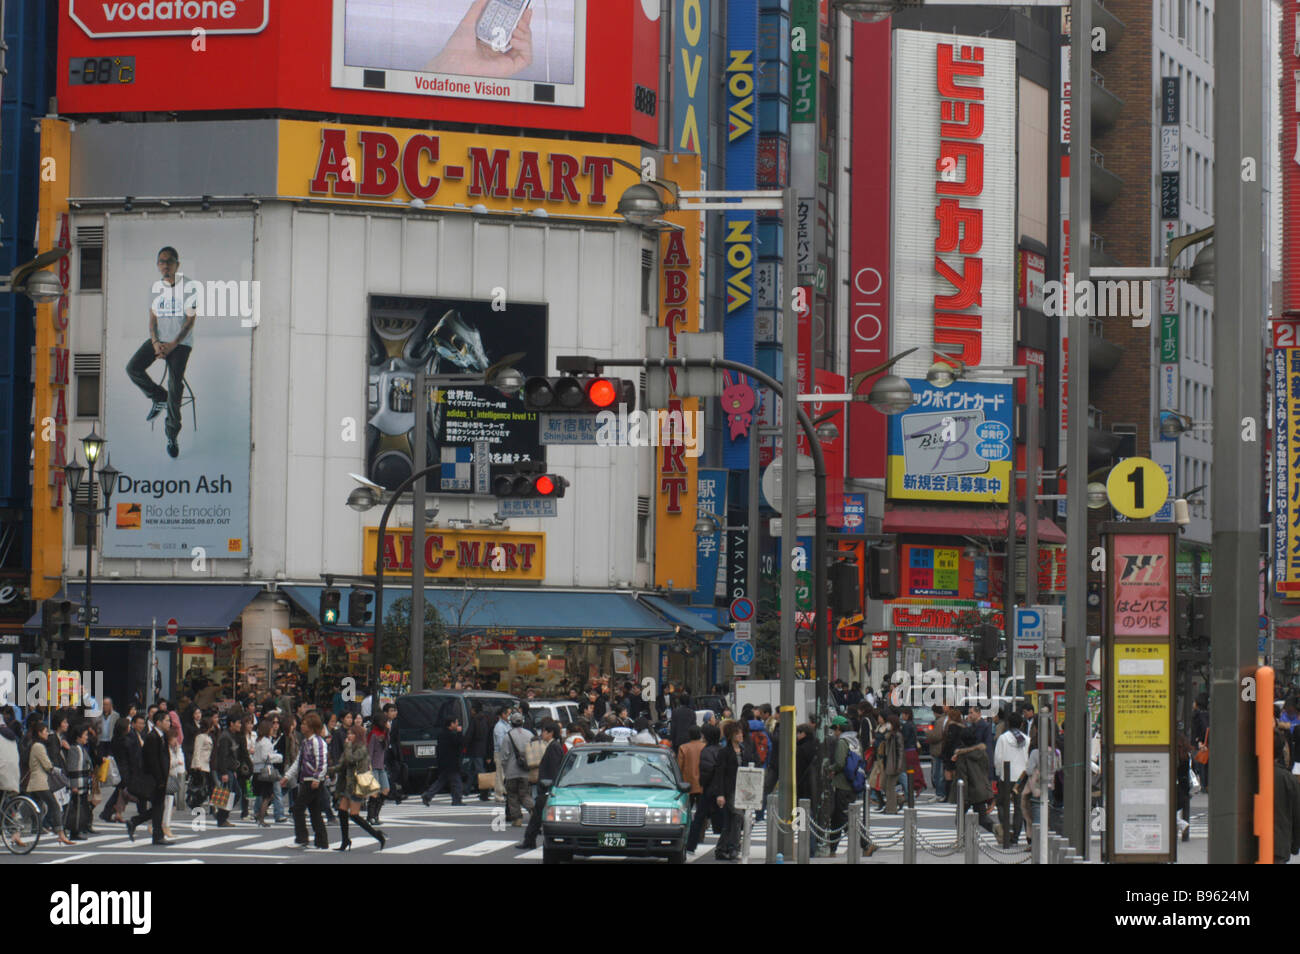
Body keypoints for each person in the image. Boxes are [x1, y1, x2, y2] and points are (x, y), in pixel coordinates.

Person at [125, 245, 197, 459]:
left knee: (176, 384)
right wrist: (156, 342)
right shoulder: (154, 289)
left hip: (180, 344)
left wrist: (173, 344)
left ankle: (171, 435)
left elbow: (190, 321)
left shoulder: (190, 287)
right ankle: (159, 397)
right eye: (161, 262)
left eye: (169, 261)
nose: (165, 265)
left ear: (177, 264)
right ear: (158, 265)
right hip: (160, 340)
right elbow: (152, 320)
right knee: (132, 368)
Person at [334, 721, 385, 851]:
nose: (349, 735)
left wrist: (347, 746)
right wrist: (328, 771)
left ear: (357, 735)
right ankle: (345, 840)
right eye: (348, 733)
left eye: (351, 733)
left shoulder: (361, 748)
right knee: (342, 811)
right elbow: (342, 764)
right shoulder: (350, 747)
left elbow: (351, 760)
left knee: (354, 814)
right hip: (348, 785)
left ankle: (377, 835)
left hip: (357, 786)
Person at [515, 719, 565, 851]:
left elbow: (554, 769)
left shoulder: (554, 747)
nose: (542, 734)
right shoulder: (554, 745)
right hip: (548, 787)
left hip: (548, 788)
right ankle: (529, 840)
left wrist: (550, 787)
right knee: (537, 817)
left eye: (544, 731)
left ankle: (529, 840)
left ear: (551, 733)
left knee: (537, 817)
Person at [26, 719, 74, 846]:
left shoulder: (35, 745)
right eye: (45, 731)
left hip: (37, 782)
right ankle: (61, 834)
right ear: (40, 732)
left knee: (33, 808)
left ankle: (16, 830)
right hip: (40, 782)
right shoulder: (38, 746)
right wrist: (53, 768)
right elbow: (47, 765)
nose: (47, 733)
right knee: (55, 806)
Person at [286, 712, 330, 850]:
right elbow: (298, 761)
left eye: (304, 724)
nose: (302, 726)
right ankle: (321, 841)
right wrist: (287, 776)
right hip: (306, 780)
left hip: (312, 780)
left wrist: (317, 777)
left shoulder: (317, 741)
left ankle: (302, 838)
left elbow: (322, 762)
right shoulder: (305, 742)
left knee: (298, 808)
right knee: (314, 811)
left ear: (311, 727)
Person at [129, 710, 173, 845]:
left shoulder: (162, 736)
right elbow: (153, 761)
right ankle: (157, 835)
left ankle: (136, 822)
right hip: (155, 779)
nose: (169, 723)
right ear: (158, 722)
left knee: (158, 806)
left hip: (161, 778)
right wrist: (160, 779)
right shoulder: (152, 737)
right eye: (166, 720)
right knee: (158, 806)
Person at [684, 723, 723, 854]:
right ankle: (729, 843)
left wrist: (703, 782)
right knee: (723, 818)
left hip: (709, 789)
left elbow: (707, 770)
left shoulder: (707, 751)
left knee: (699, 818)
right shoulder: (720, 749)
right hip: (720, 789)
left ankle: (690, 845)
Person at [993, 712, 1030, 845]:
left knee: (1002, 804)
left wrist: (998, 772)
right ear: (1021, 724)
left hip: (1006, 776)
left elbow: (998, 758)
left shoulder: (1003, 738)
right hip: (1021, 778)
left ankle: (1006, 828)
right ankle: (1016, 836)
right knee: (1019, 807)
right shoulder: (1026, 739)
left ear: (1008, 724)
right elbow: (1028, 759)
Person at [709, 721, 745, 862]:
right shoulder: (724, 752)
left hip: (742, 790)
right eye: (737, 733)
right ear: (731, 736)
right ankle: (733, 848)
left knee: (731, 820)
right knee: (737, 817)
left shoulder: (743, 750)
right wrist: (720, 794)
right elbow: (720, 774)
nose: (741, 735)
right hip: (729, 790)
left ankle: (721, 849)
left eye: (741, 732)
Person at [953, 726, 996, 836]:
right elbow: (986, 770)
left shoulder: (962, 756)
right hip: (981, 788)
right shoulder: (982, 753)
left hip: (968, 790)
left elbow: (963, 777)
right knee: (982, 818)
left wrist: (964, 796)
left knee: (960, 817)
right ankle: (1000, 831)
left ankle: (962, 839)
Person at [499, 712, 535, 828]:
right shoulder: (529, 734)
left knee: (512, 795)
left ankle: (517, 819)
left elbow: (504, 756)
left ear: (511, 722)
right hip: (525, 770)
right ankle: (532, 809)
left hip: (511, 771)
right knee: (524, 794)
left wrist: (504, 769)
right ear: (522, 722)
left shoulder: (507, 736)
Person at [421, 717, 466, 806]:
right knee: (456, 782)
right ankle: (457, 800)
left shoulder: (441, 734)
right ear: (451, 724)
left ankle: (427, 795)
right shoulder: (451, 735)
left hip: (444, 762)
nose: (457, 724)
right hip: (451, 762)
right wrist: (459, 733)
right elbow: (459, 743)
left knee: (441, 781)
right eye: (456, 722)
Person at [212, 711, 243, 828]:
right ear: (231, 723)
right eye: (238, 723)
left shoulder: (232, 735)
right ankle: (221, 817)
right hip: (225, 770)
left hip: (230, 769)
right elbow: (222, 756)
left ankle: (222, 815)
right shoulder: (225, 737)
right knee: (229, 794)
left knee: (235, 794)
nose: (240, 725)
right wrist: (224, 772)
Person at [251, 716, 283, 827]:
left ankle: (258, 814)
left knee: (262, 795)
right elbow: (266, 757)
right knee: (267, 795)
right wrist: (278, 757)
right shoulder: (266, 742)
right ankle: (261, 817)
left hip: (257, 770)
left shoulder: (258, 741)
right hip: (265, 770)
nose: (272, 729)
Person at [64, 722, 93, 841]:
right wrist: (74, 786)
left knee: (80, 808)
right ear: (78, 736)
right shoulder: (75, 749)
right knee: (76, 808)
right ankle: (74, 831)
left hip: (83, 782)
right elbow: (73, 768)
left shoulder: (80, 748)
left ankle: (78, 829)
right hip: (78, 783)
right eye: (85, 735)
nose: (87, 737)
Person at [1275, 729, 1300, 863]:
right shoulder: (1288, 779)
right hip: (1279, 846)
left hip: (1249, 845)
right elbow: (1297, 815)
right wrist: (1295, 845)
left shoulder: (1248, 775)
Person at [876, 714, 906, 815]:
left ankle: (891, 808)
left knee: (889, 786)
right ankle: (899, 799)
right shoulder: (890, 734)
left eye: (889, 723)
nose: (887, 724)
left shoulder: (897, 735)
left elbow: (901, 751)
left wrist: (899, 766)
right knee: (884, 785)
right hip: (887, 763)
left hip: (894, 764)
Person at [366, 712, 391, 827]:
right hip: (373, 766)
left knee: (385, 789)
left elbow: (386, 746)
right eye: (386, 722)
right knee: (374, 792)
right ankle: (370, 816)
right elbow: (369, 752)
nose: (388, 723)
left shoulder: (384, 734)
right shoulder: (373, 734)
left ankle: (376, 815)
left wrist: (387, 732)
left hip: (381, 766)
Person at [677, 725, 705, 811]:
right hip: (702, 783)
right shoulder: (705, 746)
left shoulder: (683, 748)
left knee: (686, 809)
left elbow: (679, 767)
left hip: (688, 784)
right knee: (702, 811)